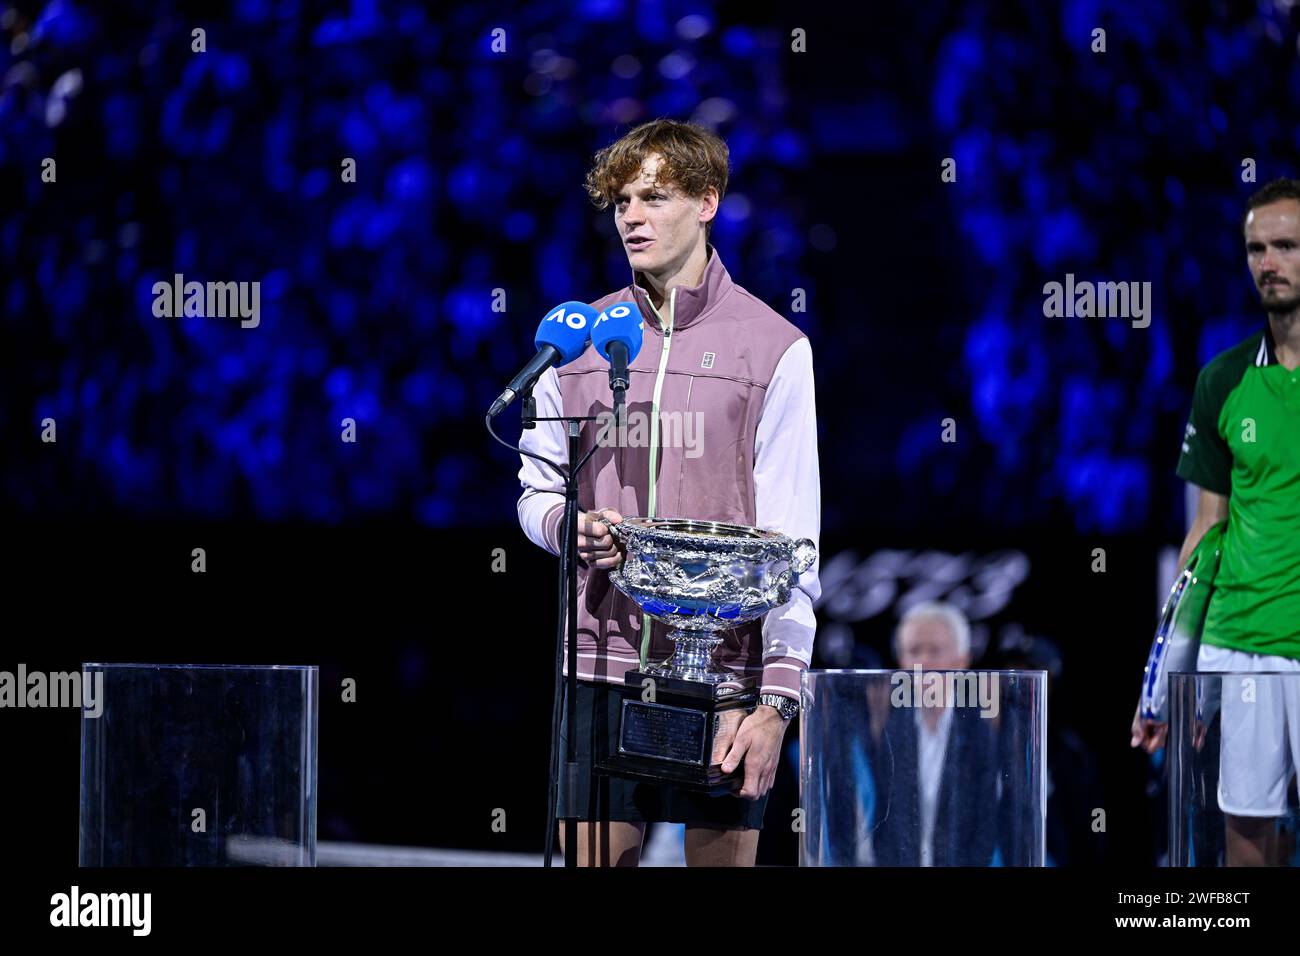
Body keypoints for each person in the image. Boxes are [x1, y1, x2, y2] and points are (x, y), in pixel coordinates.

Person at [516, 117, 821, 866]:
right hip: (598, 667)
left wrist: (778, 703)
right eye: (621, 201)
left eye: (654, 197)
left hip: (725, 675)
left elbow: (794, 544)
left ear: (707, 202)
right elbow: (532, 491)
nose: (632, 217)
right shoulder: (575, 342)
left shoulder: (775, 347)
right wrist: (568, 526)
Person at [1131, 178, 1300, 866]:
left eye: (1287, 246)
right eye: (1257, 248)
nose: (1269, 262)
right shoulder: (1221, 381)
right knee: (1246, 843)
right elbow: (1203, 534)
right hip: (1242, 646)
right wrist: (1160, 682)